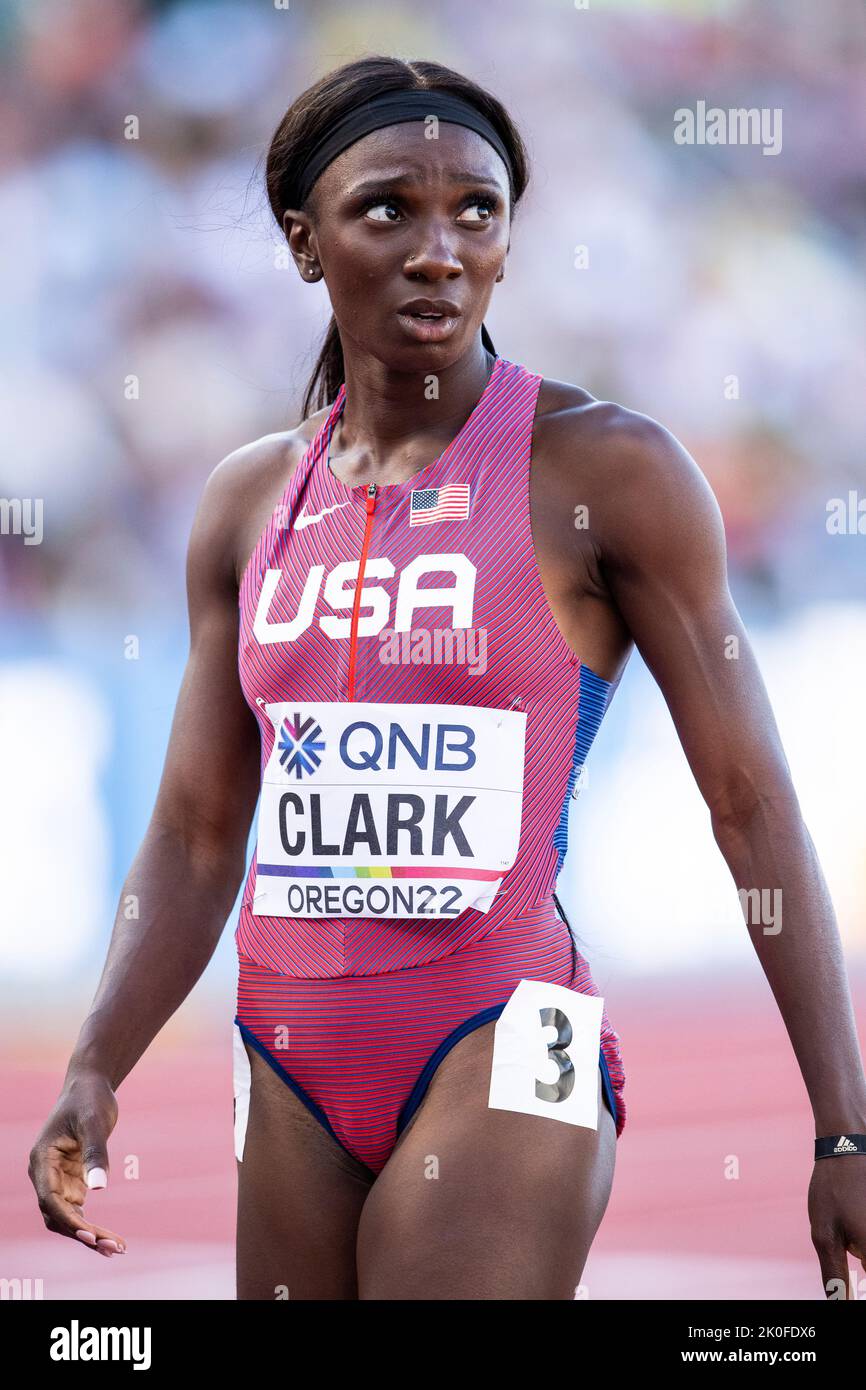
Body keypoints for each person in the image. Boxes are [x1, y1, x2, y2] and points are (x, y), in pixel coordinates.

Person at [29, 55, 866, 1301]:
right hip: (291, 1056)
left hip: (501, 1041)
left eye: (476, 210)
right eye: (387, 209)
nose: (439, 249)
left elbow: (750, 806)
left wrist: (841, 1124)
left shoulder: (604, 471)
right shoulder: (246, 502)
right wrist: (96, 1061)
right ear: (304, 243)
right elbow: (200, 835)